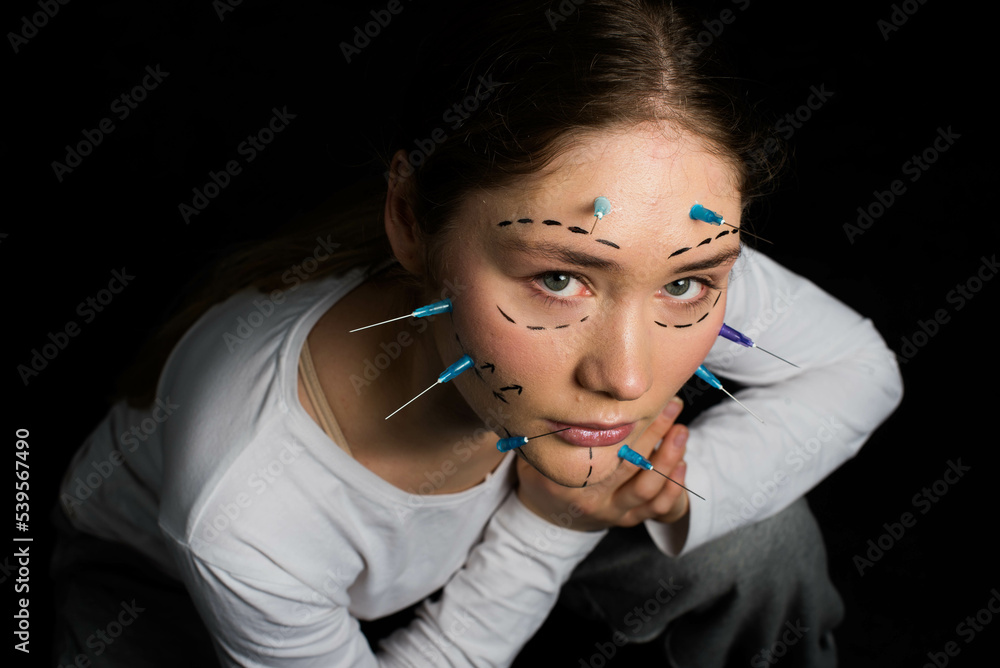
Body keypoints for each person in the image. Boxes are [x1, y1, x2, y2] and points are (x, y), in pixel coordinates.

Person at [50, 1, 903, 666]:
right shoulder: (243, 509)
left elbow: (859, 367)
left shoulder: (649, 233)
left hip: (490, 511)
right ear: (411, 221)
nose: (630, 378)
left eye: (686, 285)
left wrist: (677, 492)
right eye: (559, 280)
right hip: (157, 589)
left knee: (763, 543)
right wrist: (554, 524)